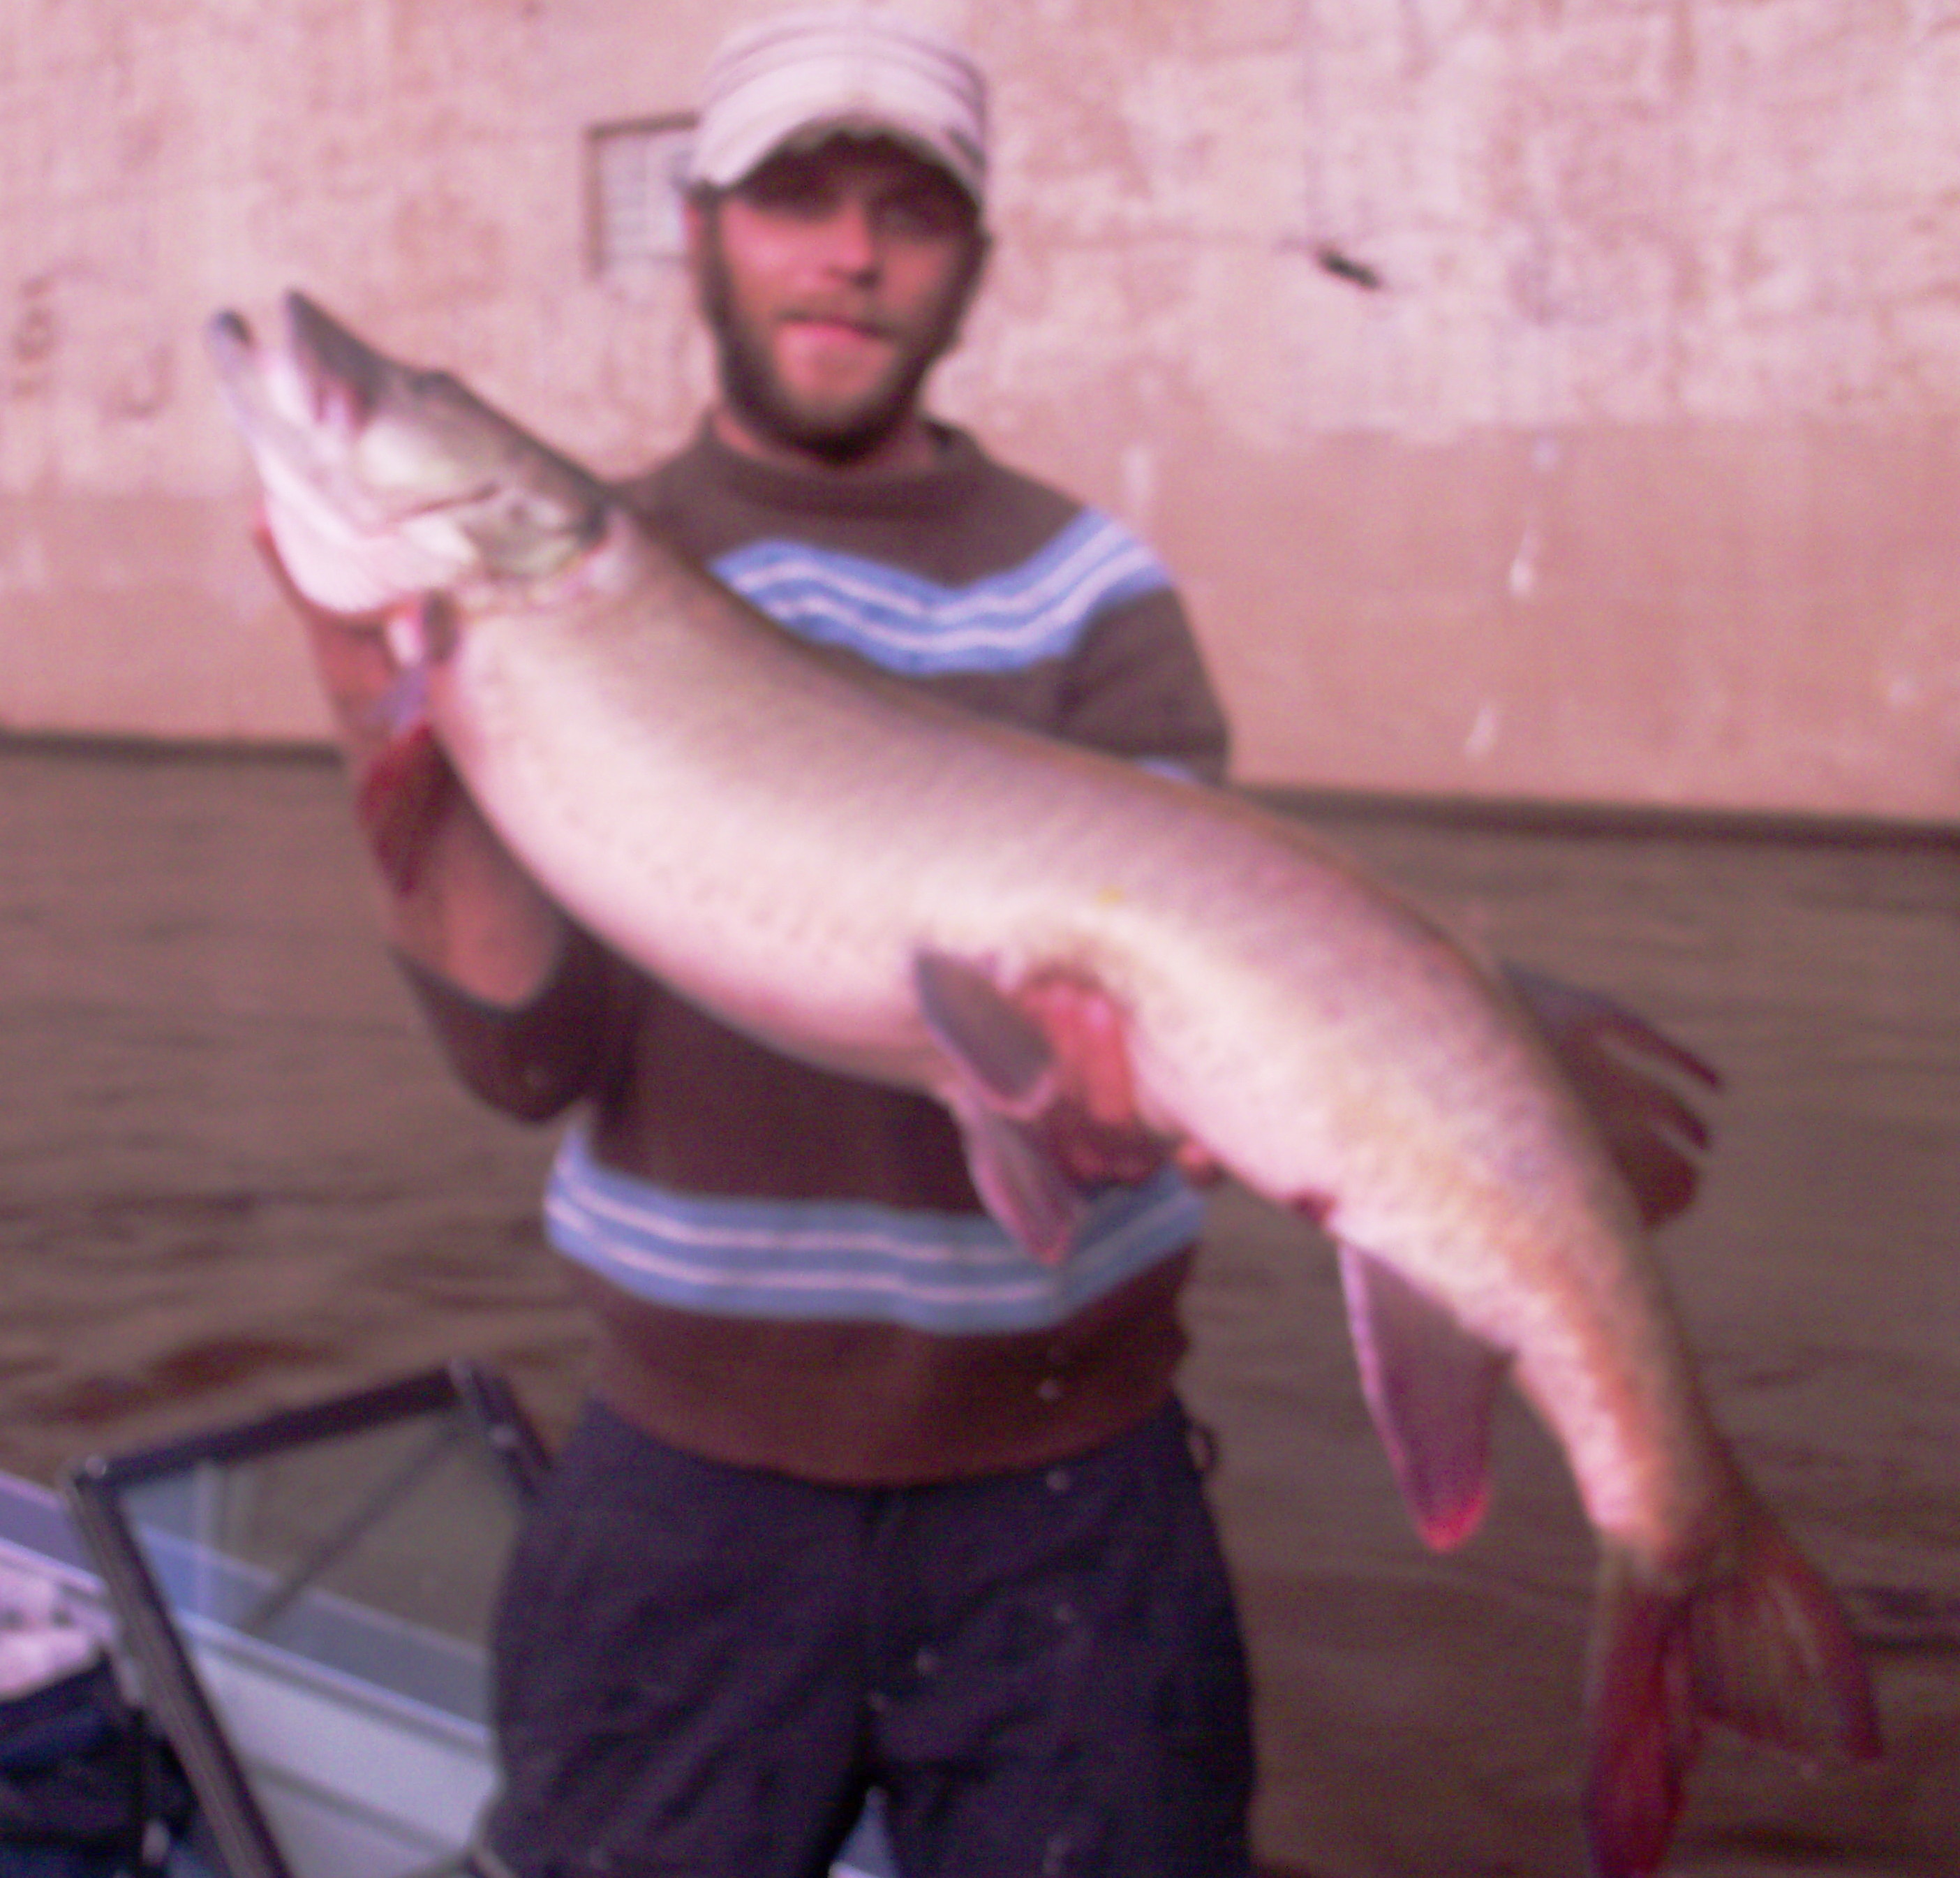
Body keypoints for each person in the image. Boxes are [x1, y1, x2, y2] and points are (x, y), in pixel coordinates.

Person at [274, 13, 1717, 1877]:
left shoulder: (1088, 584)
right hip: (684, 1500)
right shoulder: (600, 582)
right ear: (704, 224)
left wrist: (1104, 1099)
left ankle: (1683, 1543)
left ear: (971, 263)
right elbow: (523, 1058)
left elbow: (1135, 1072)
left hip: (1068, 1507)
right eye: (798, 197)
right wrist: (362, 683)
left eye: (908, 212)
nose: (851, 251)